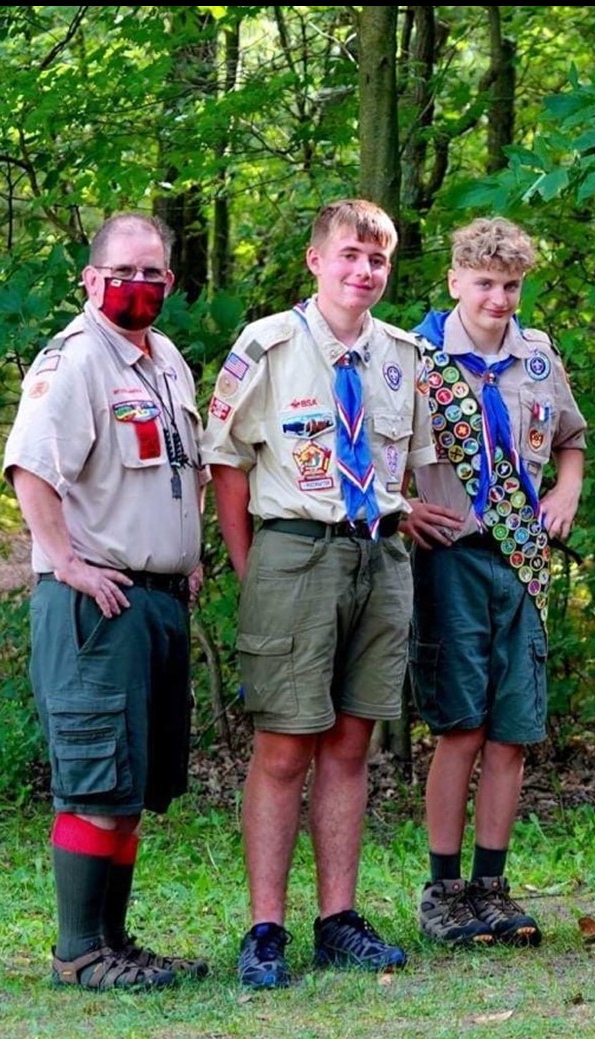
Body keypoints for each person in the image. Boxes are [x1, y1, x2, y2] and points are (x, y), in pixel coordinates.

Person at [202, 198, 437, 987]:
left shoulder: (403, 356)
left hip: (378, 557)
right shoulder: (267, 346)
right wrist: (252, 567)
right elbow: (227, 464)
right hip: (294, 553)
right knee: (283, 747)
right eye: (349, 256)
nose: (363, 271)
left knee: (350, 744)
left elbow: (407, 469)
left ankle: (338, 917)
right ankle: (265, 927)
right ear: (315, 260)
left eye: (377, 260)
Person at [5, 212, 208, 990]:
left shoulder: (164, 362)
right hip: (96, 603)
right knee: (94, 779)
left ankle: (114, 943)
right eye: (125, 270)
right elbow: (32, 470)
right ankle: (78, 951)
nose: (141, 283)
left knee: (128, 783)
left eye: (154, 272)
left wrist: (182, 556)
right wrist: (68, 563)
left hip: (154, 601)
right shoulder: (76, 359)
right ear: (91, 280)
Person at [401, 218, 586, 948]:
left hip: (521, 561)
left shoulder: (537, 359)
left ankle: (492, 885)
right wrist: (402, 509)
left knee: (511, 728)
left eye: (510, 286)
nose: (499, 299)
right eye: (484, 284)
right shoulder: (417, 360)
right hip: (451, 555)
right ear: (454, 282)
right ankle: (444, 888)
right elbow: (381, 449)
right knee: (461, 725)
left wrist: (566, 491)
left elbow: (570, 439)